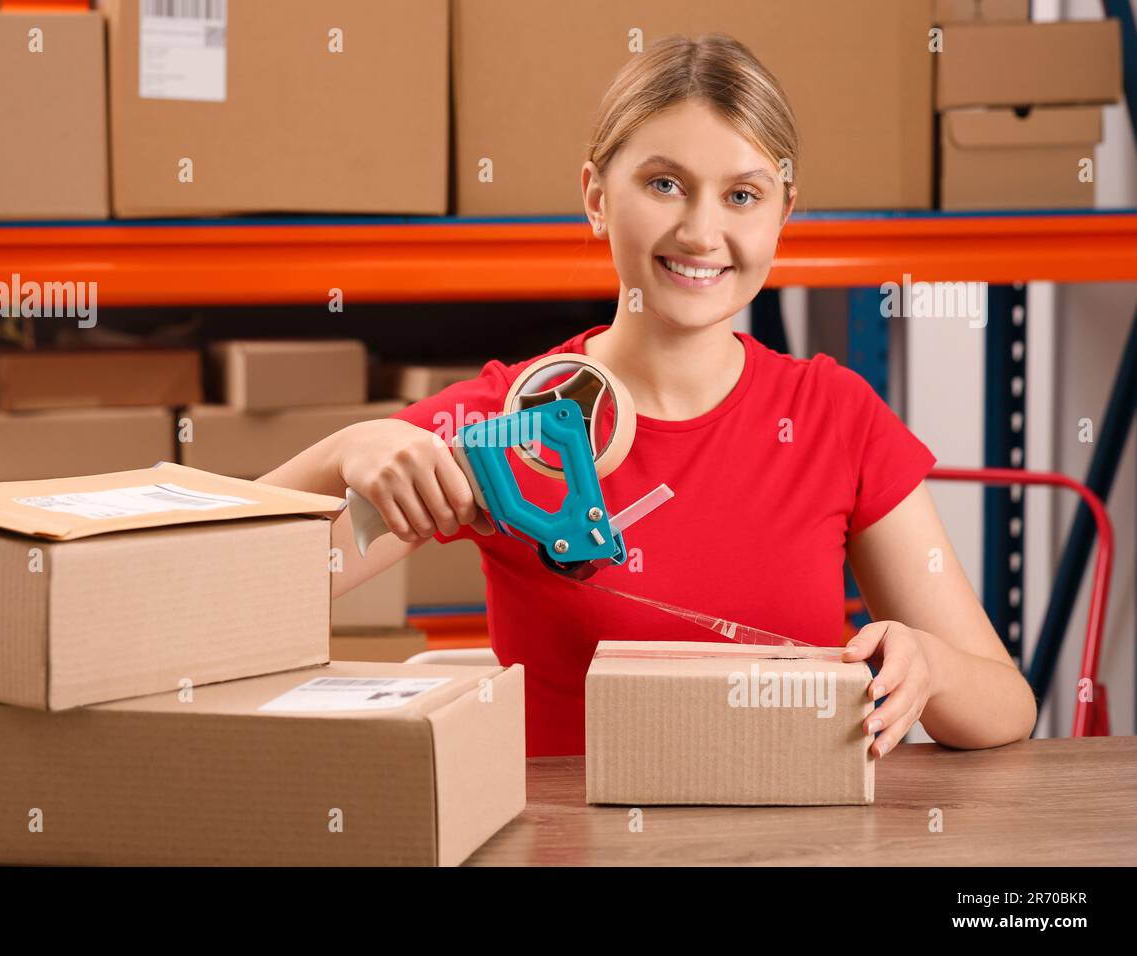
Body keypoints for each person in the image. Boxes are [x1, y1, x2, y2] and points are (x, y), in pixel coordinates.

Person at [261, 33, 1037, 759]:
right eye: (665, 184)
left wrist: (928, 665)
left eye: (742, 195)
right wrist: (345, 452)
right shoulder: (510, 418)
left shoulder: (838, 416)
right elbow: (206, 594)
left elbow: (1008, 708)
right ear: (596, 196)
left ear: (784, 214)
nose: (702, 232)